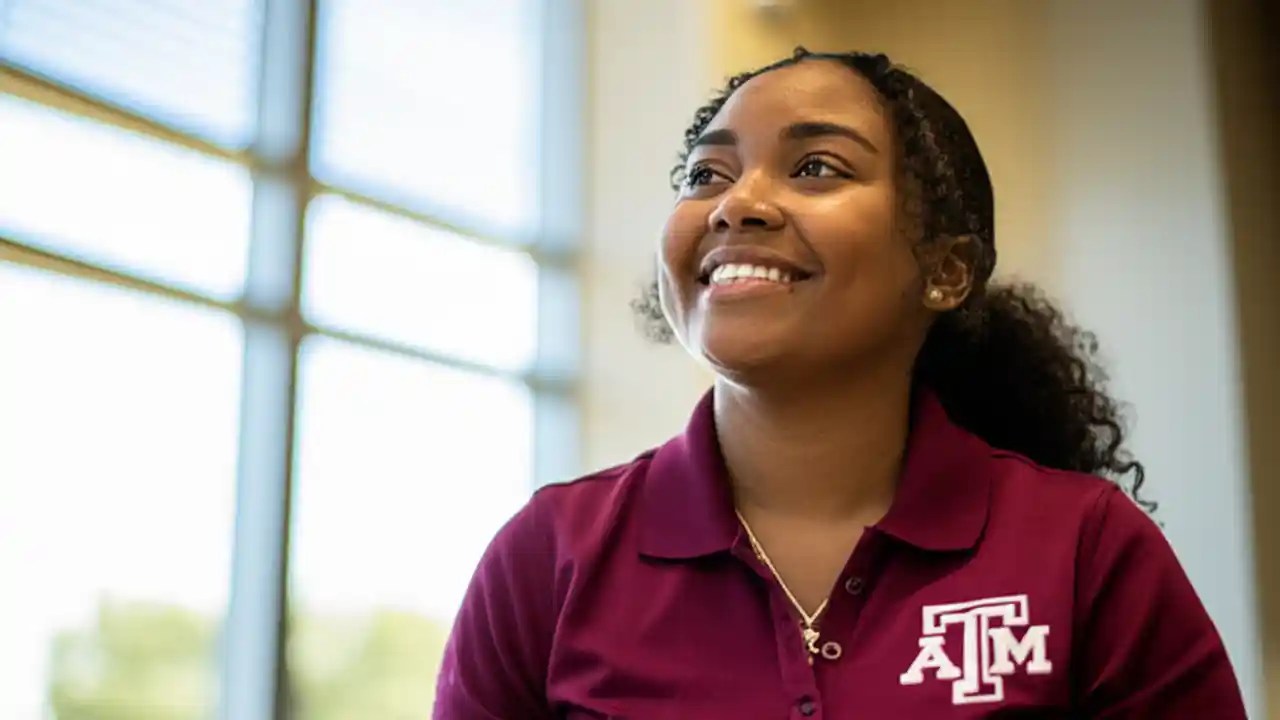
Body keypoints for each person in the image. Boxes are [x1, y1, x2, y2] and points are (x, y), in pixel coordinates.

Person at [433, 48, 1247, 718]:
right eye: (705, 175)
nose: (736, 205)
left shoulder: (1088, 550)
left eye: (816, 167)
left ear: (945, 269)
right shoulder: (547, 557)